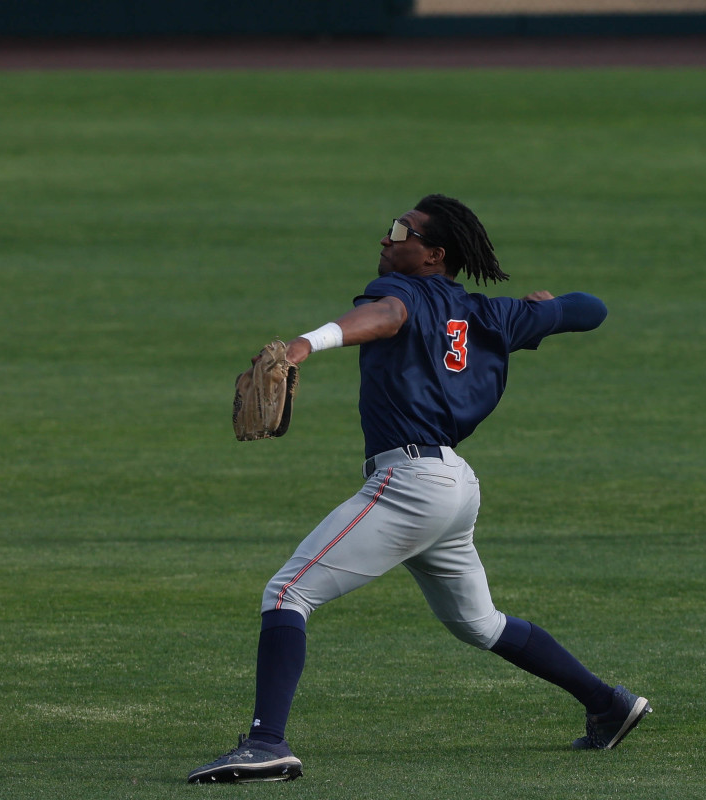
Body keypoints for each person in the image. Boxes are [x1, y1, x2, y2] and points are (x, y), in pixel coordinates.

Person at [189, 194, 651, 784]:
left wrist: (304, 345)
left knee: (287, 594)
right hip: (454, 486)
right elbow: (593, 309)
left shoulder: (401, 292)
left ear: (434, 255)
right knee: (480, 625)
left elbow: (387, 318)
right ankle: (608, 704)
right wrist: (547, 308)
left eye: (401, 231)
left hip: (411, 484)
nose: (386, 239)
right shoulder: (494, 315)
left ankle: (265, 745)